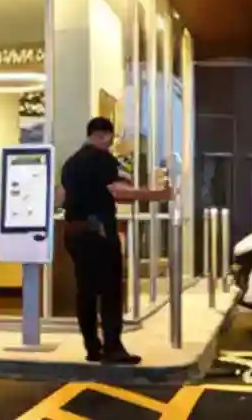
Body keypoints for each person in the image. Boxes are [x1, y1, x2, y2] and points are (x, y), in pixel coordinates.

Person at [62, 117, 174, 364]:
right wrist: (158, 194)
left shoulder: (70, 163)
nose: (111, 143)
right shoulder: (101, 159)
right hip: (98, 231)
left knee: (86, 292)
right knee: (111, 290)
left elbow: (65, 195)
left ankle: (92, 347)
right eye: (109, 138)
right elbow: (119, 191)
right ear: (104, 135)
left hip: (73, 231)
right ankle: (113, 347)